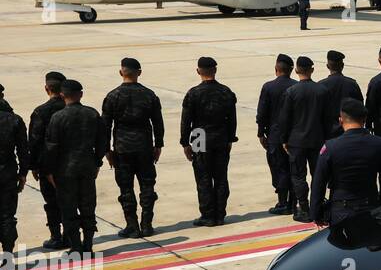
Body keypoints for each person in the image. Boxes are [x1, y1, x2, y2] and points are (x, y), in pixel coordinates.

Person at [100, 57, 165, 238]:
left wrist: (106, 150)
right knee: (147, 185)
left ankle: (132, 225)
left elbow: (105, 126)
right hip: (144, 146)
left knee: (125, 188)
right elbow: (158, 122)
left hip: (122, 148)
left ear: (121, 72)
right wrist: (158, 144)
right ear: (139, 73)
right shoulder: (149, 95)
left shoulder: (112, 96)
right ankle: (147, 224)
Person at [309, 98, 381, 227]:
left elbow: (318, 183)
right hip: (370, 207)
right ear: (364, 120)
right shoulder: (380, 144)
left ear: (340, 120)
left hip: (341, 211)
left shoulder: (331, 147)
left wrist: (316, 214)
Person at [46, 79, 107, 253]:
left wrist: (49, 170)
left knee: (69, 209)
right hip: (87, 167)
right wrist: (97, 161)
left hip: (65, 170)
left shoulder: (57, 117)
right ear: (81, 94)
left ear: (62, 95)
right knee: (88, 208)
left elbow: (52, 147)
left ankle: (75, 246)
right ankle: (88, 245)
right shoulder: (92, 114)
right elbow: (102, 141)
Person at [180, 57, 238, 227]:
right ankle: (220, 214)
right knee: (220, 177)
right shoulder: (226, 92)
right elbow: (232, 119)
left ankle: (207, 215)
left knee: (203, 177)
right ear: (215, 70)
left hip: (199, 135)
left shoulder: (193, 93)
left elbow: (186, 121)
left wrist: (185, 142)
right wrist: (230, 138)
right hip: (220, 136)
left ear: (198, 71)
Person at [279, 56, 332, 222]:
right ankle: (318, 206)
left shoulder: (291, 92)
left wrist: (284, 139)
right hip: (317, 140)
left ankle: (304, 207)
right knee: (318, 174)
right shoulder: (322, 91)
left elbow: (285, 119)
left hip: (296, 141)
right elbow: (328, 118)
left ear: (296, 70)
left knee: (298, 175)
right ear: (312, 70)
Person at [28, 71, 67, 249]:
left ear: (46, 88)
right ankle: (70, 235)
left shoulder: (40, 112)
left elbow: (34, 141)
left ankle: (56, 236)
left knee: (51, 203)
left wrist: (33, 166)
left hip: (47, 165)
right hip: (70, 163)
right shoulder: (70, 108)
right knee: (70, 200)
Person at [256, 54, 296, 214]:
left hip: (274, 135)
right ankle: (293, 202)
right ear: (291, 70)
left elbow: (262, 112)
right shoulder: (296, 86)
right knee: (293, 167)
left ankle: (282, 202)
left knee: (278, 168)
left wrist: (261, 133)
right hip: (293, 135)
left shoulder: (268, 87)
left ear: (276, 69)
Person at [0, 88, 30, 258]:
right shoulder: (14, 120)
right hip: (7, 174)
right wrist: (23, 173)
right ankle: (8, 253)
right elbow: (23, 150)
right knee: (7, 215)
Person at [319, 50, 363, 139]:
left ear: (328, 66)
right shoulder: (352, 84)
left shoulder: (320, 86)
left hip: (327, 131)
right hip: (348, 129)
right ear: (342, 66)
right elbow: (360, 106)